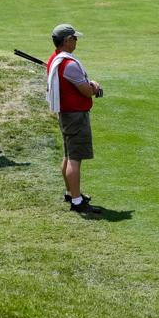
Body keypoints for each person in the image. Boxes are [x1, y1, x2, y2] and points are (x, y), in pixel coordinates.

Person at [46, 24, 103, 215]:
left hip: (66, 114)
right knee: (75, 159)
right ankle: (77, 201)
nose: (76, 41)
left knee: (68, 155)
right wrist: (94, 86)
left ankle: (71, 193)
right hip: (76, 116)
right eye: (74, 38)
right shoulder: (69, 64)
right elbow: (86, 90)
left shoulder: (54, 59)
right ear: (67, 41)